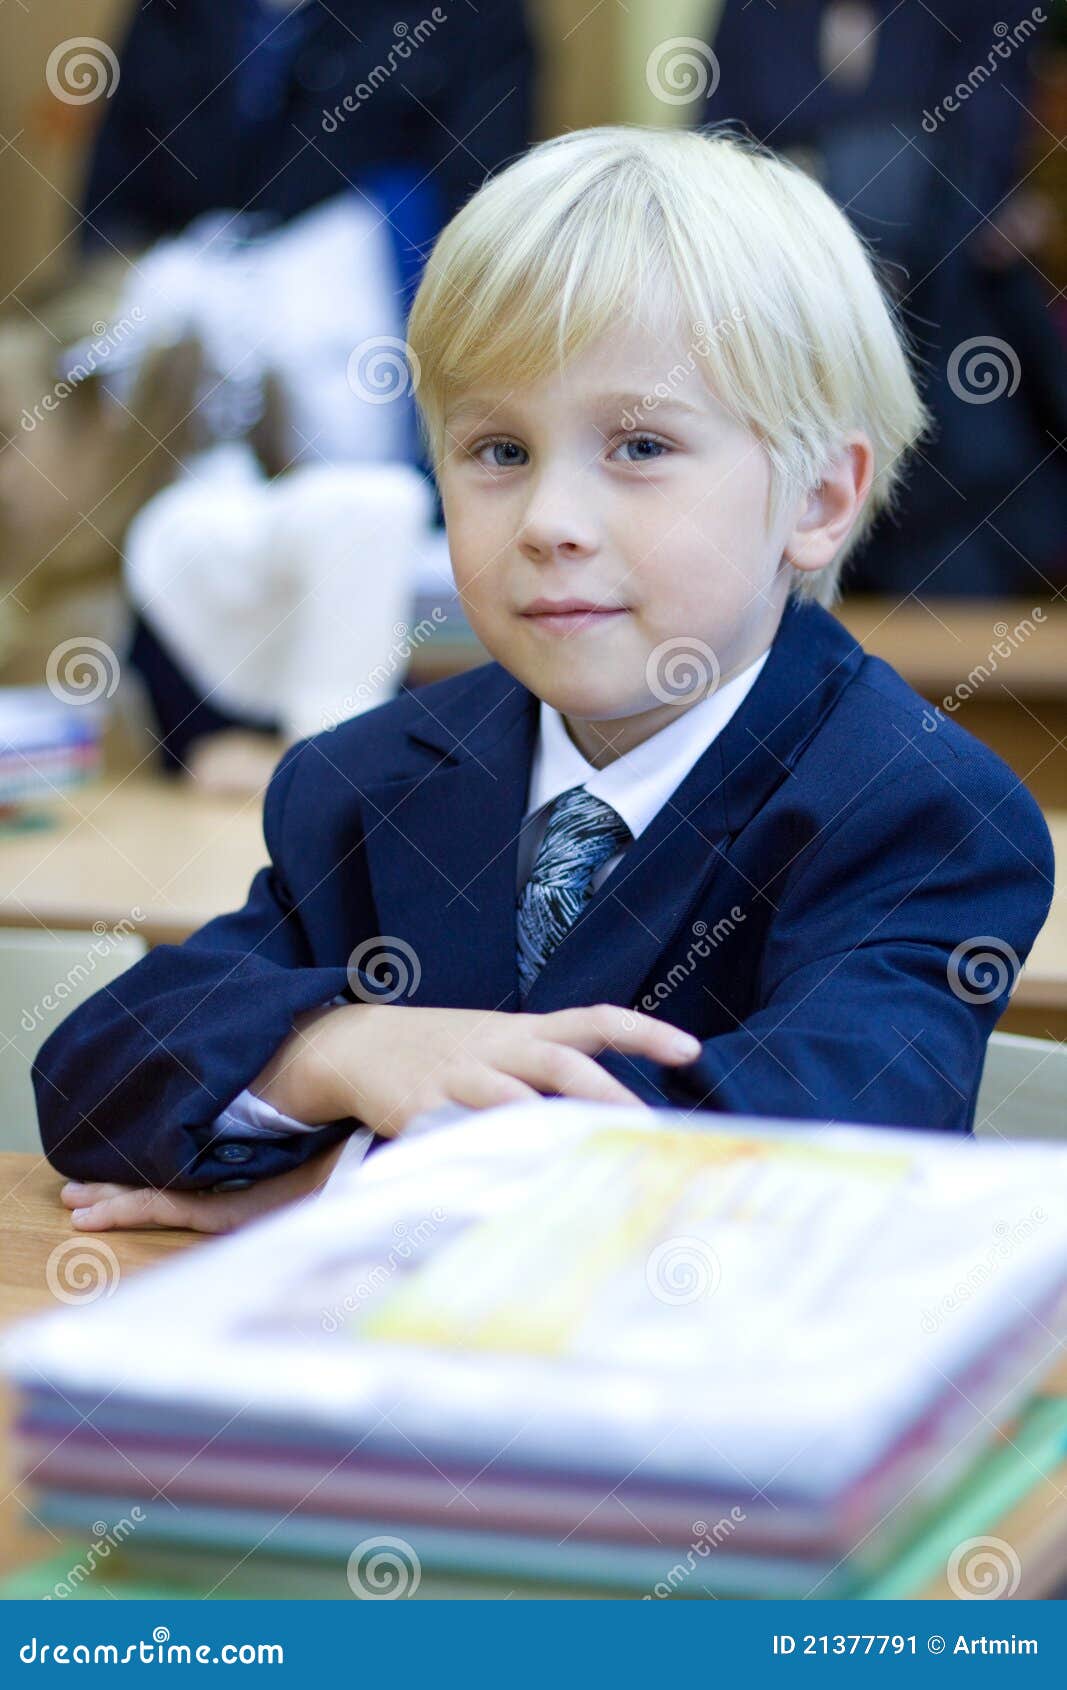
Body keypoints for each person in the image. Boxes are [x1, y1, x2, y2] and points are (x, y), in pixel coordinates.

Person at [36, 127, 1053, 1234]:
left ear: (816, 500)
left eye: (639, 447)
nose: (549, 523)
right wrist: (340, 1045)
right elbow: (97, 1072)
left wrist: (335, 1183)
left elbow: (795, 1158)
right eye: (498, 452)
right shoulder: (366, 781)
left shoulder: (919, 813)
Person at [702, 0, 1067, 595]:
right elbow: (713, 163)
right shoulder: (752, 13)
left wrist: (812, 174)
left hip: (945, 362)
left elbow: (974, 177)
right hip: (782, 332)